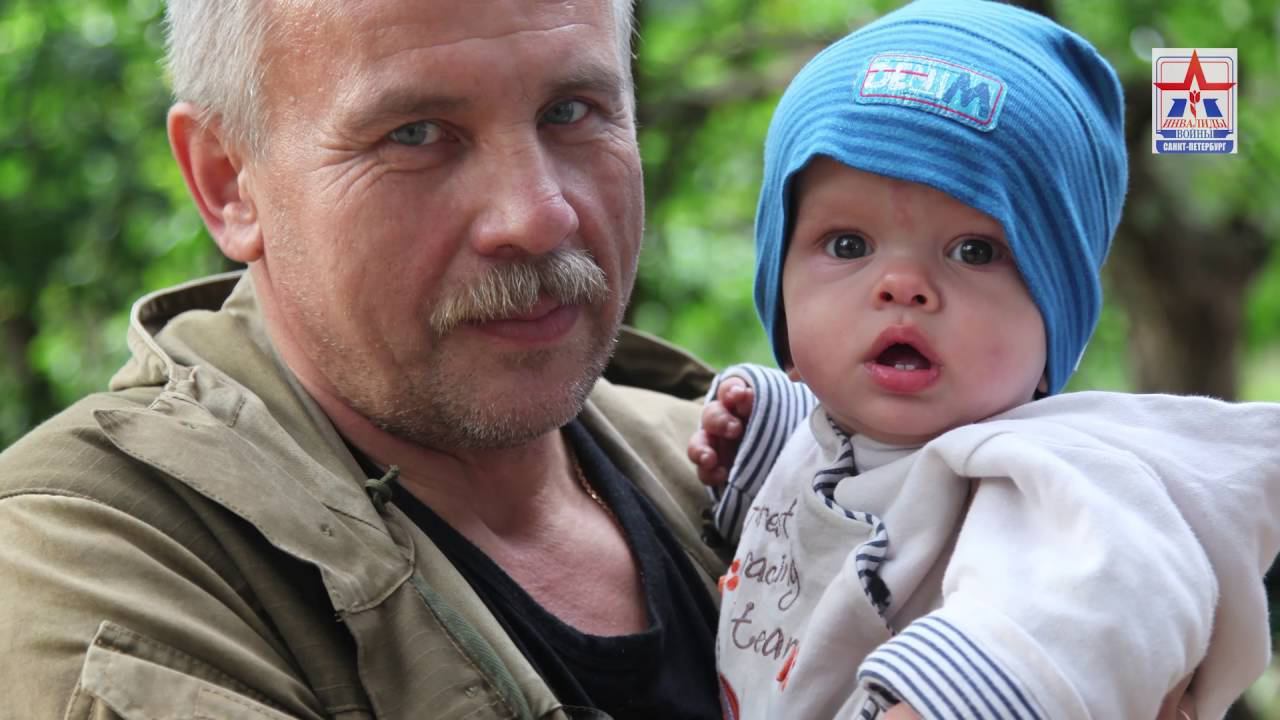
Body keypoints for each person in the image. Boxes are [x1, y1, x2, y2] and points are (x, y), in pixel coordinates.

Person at [0, 1, 728, 718]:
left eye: (569, 112)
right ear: (228, 182)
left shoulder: (743, 471)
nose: (537, 218)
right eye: (416, 135)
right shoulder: (89, 558)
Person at [687, 2, 1280, 719]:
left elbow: (1085, 619)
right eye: (847, 245)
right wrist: (762, 437)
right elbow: (854, 483)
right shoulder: (836, 441)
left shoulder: (1055, 490)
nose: (902, 286)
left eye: (974, 251)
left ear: (1054, 316)